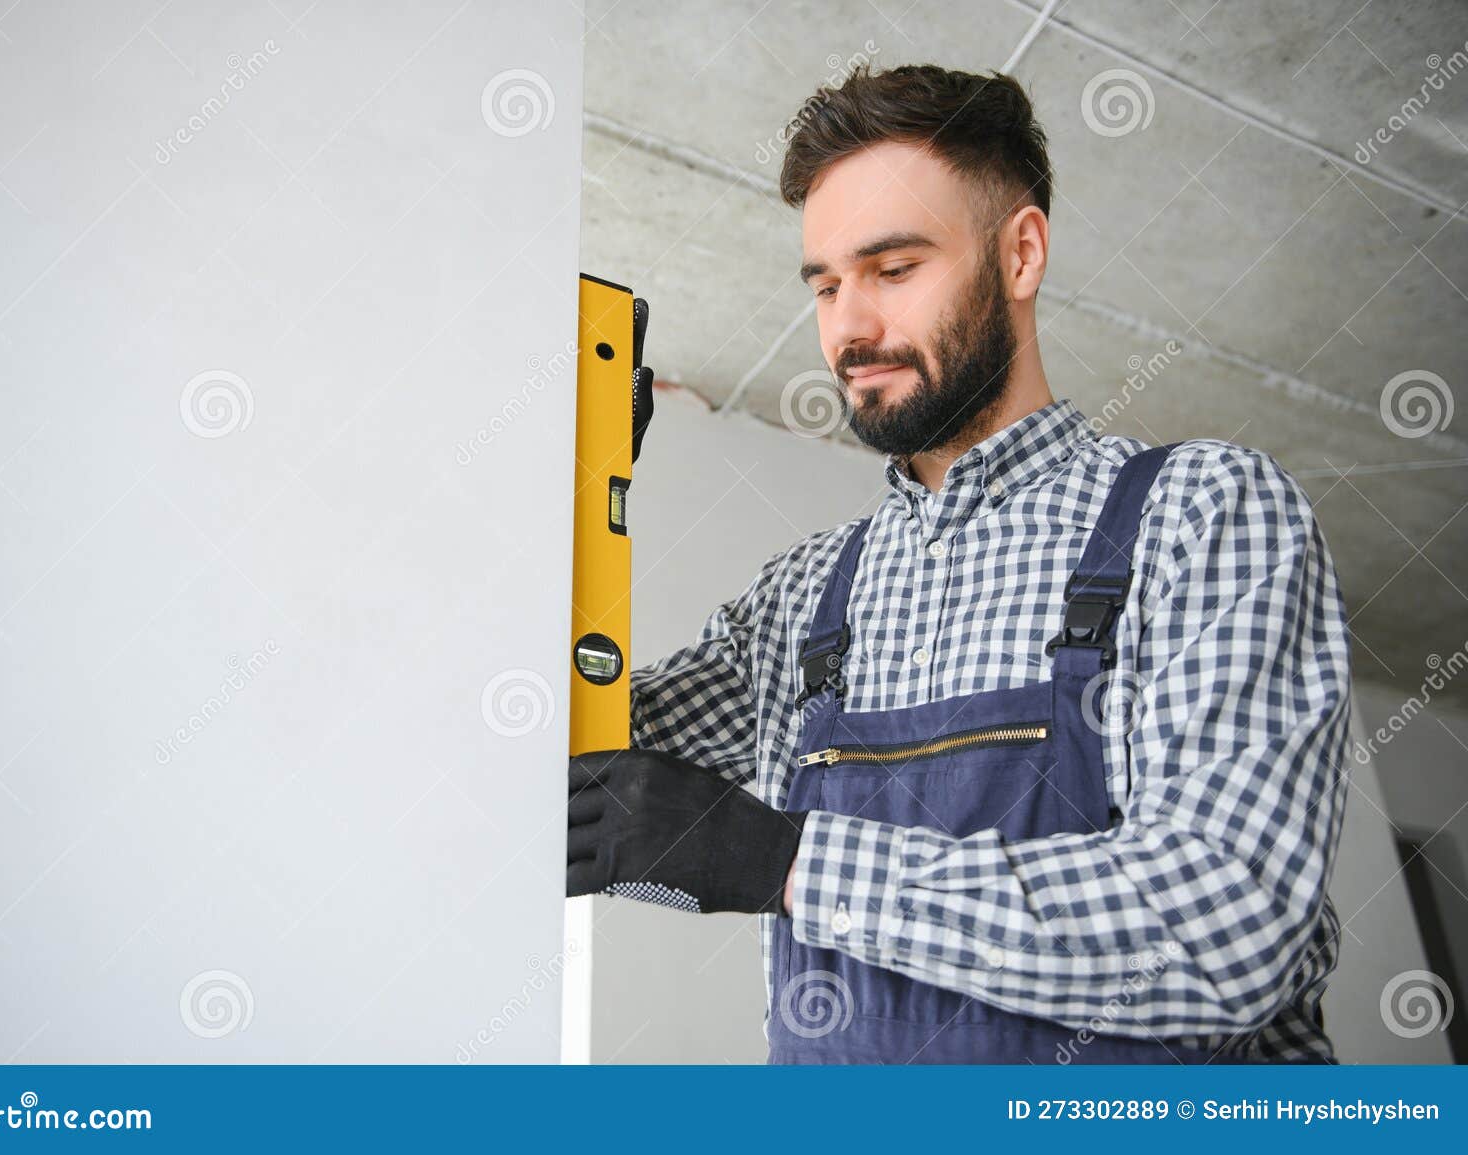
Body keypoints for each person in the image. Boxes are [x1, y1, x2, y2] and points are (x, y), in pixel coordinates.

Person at [566, 63, 1352, 1064]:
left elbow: (1229, 929)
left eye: (892, 270)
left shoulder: (1200, 515)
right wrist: (557, 497)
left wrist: (793, 861)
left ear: (1018, 254)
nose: (847, 327)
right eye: (824, 285)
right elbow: (581, 778)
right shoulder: (804, 603)